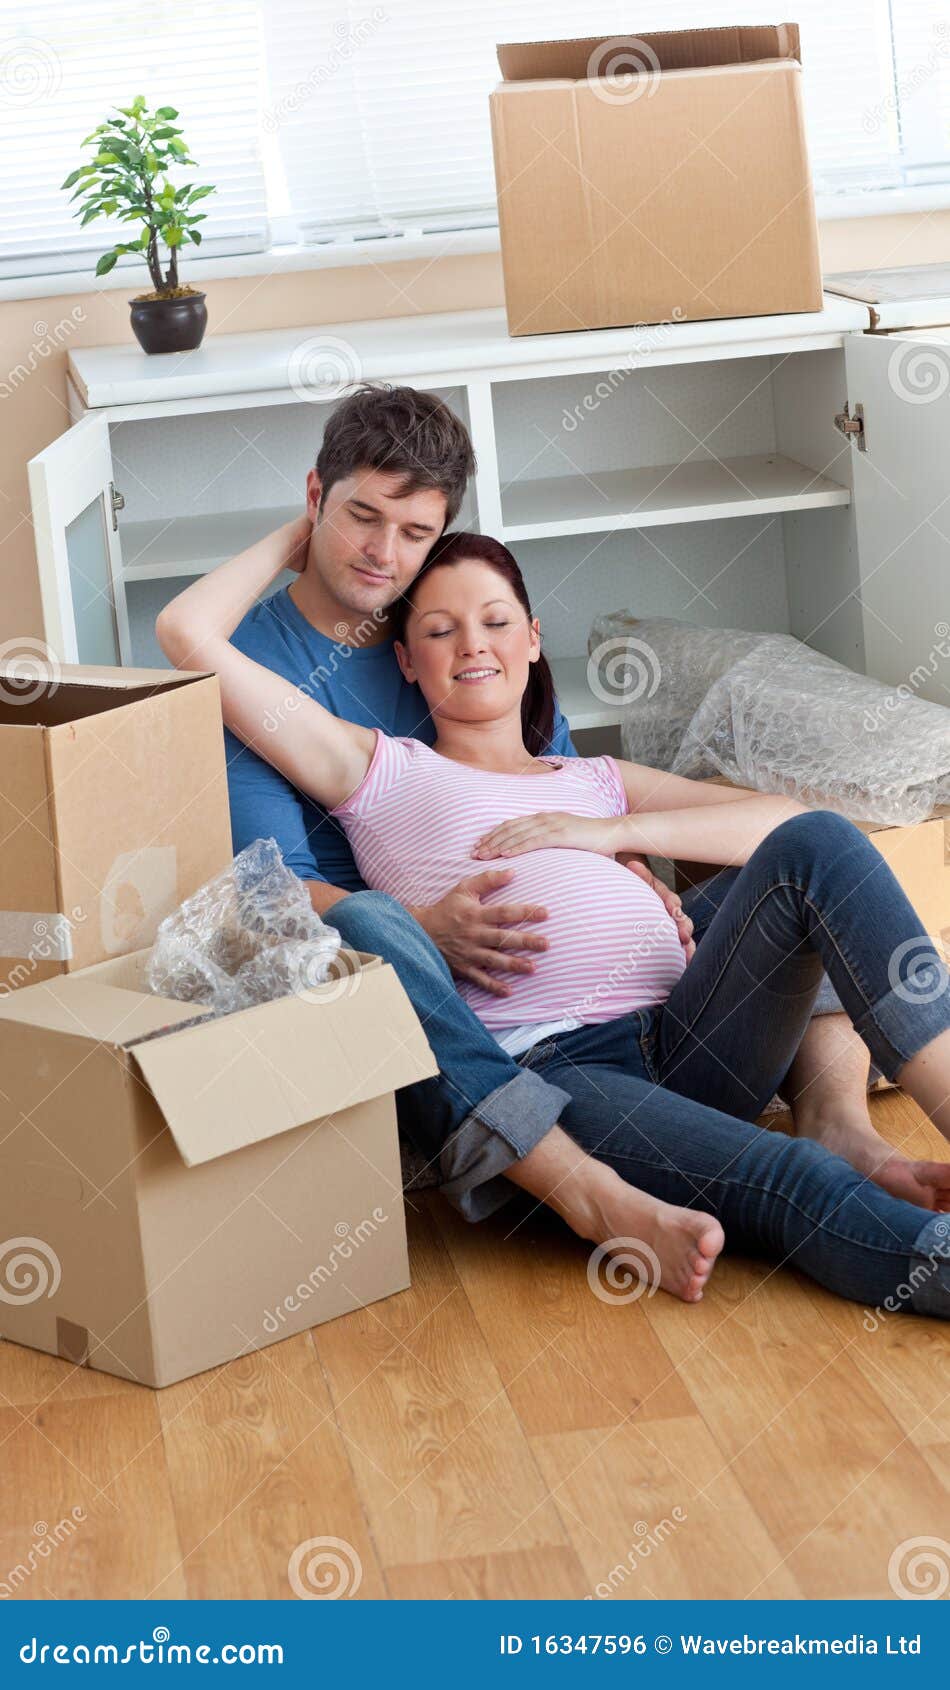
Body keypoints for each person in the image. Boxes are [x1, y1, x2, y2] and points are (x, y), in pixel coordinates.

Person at [156, 516, 950, 1319]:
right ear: (406, 659)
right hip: (568, 1077)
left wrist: (612, 834)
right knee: (797, 1178)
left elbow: (781, 821)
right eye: (441, 629)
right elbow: (186, 633)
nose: (474, 643)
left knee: (821, 845)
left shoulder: (595, 777)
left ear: (533, 640)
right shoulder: (377, 767)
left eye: (496, 622)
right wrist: (315, 526)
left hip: (691, 1034)